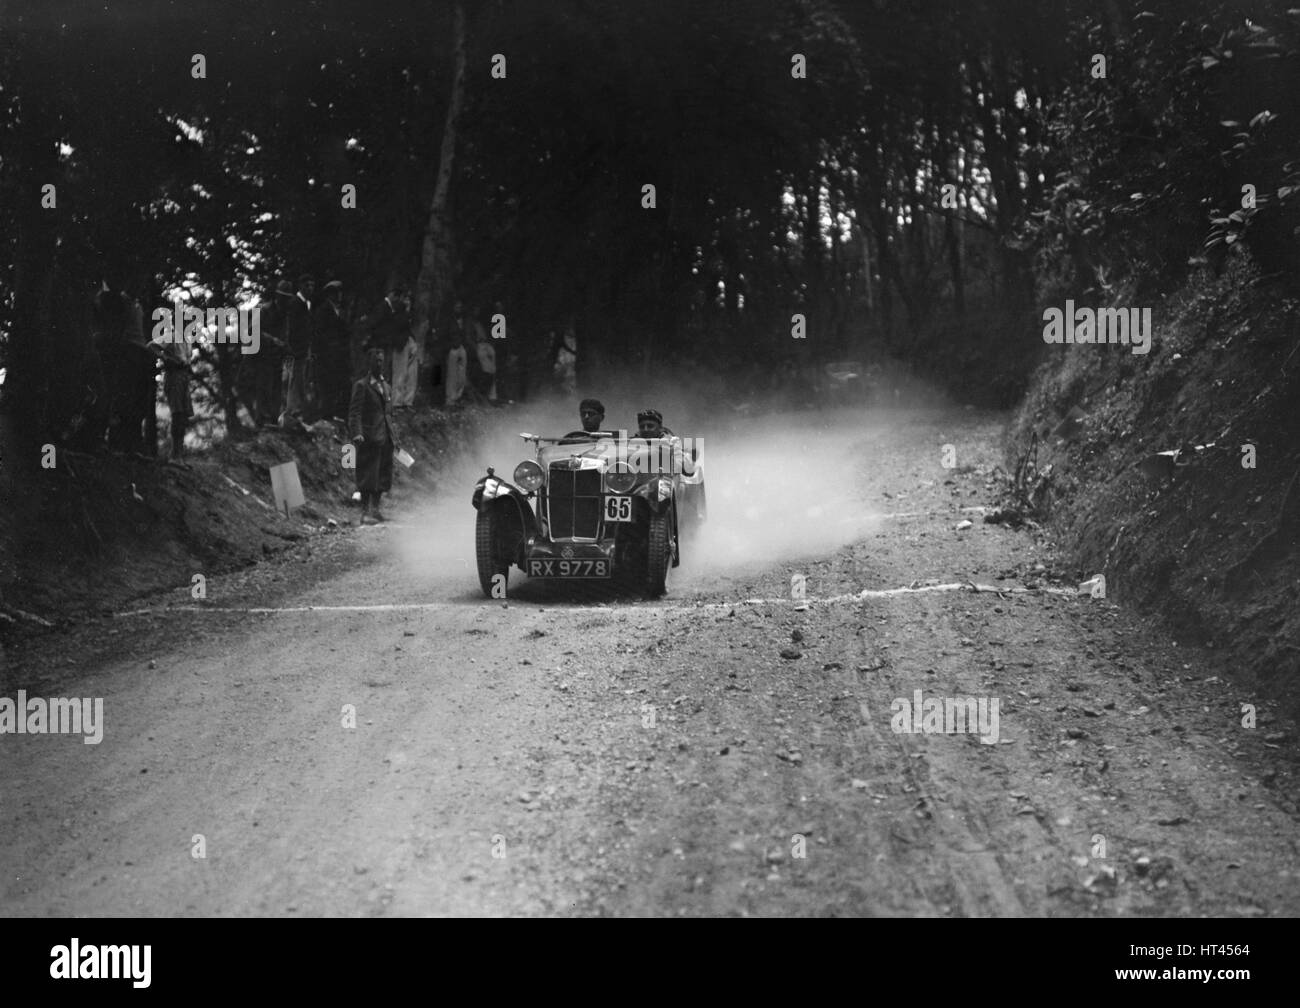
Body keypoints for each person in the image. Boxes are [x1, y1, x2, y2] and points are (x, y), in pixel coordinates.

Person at [349, 345, 396, 525]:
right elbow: (355, 412)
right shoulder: (362, 385)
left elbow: (389, 413)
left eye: (381, 361)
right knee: (367, 475)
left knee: (383, 474)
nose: (379, 364)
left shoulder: (386, 387)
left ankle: (376, 509)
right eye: (376, 361)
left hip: (385, 435)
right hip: (369, 436)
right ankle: (365, 511)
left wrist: (394, 435)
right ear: (369, 363)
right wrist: (357, 433)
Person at [280, 273, 315, 429]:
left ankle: (295, 414)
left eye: (312, 285)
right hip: (295, 350)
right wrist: (293, 349)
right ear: (300, 286)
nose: (310, 288)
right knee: (293, 382)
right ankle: (290, 415)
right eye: (307, 285)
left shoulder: (306, 304)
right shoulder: (296, 303)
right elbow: (291, 329)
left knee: (300, 382)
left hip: (302, 349)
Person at [313, 280, 351, 423]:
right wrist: (328, 349)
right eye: (336, 292)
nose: (340, 295)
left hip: (340, 355)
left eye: (340, 292)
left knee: (344, 384)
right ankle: (327, 416)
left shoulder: (339, 311)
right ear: (330, 295)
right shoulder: (323, 310)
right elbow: (320, 334)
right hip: (328, 355)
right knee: (328, 385)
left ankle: (340, 414)